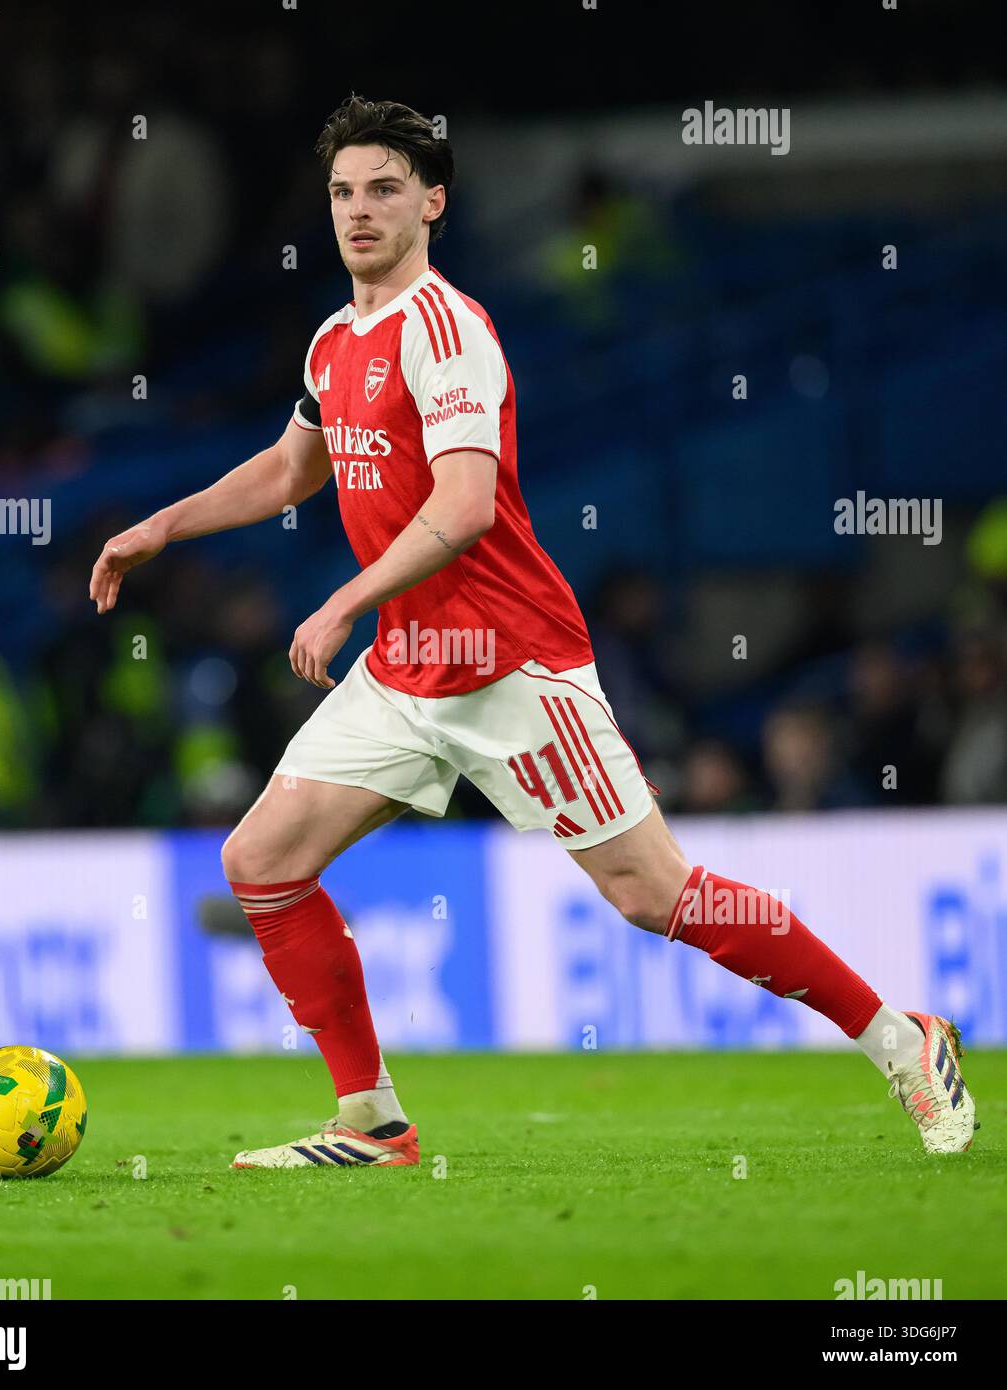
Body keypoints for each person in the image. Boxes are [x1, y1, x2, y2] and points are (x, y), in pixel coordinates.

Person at [89, 96, 976, 1166]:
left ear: (433, 201)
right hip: (407, 672)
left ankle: (901, 1037)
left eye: (383, 189)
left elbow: (462, 509)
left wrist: (341, 598)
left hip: (510, 664)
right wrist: (160, 526)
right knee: (262, 859)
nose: (359, 211)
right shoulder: (336, 340)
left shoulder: (448, 330)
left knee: (655, 895)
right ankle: (371, 1121)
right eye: (341, 192)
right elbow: (291, 469)